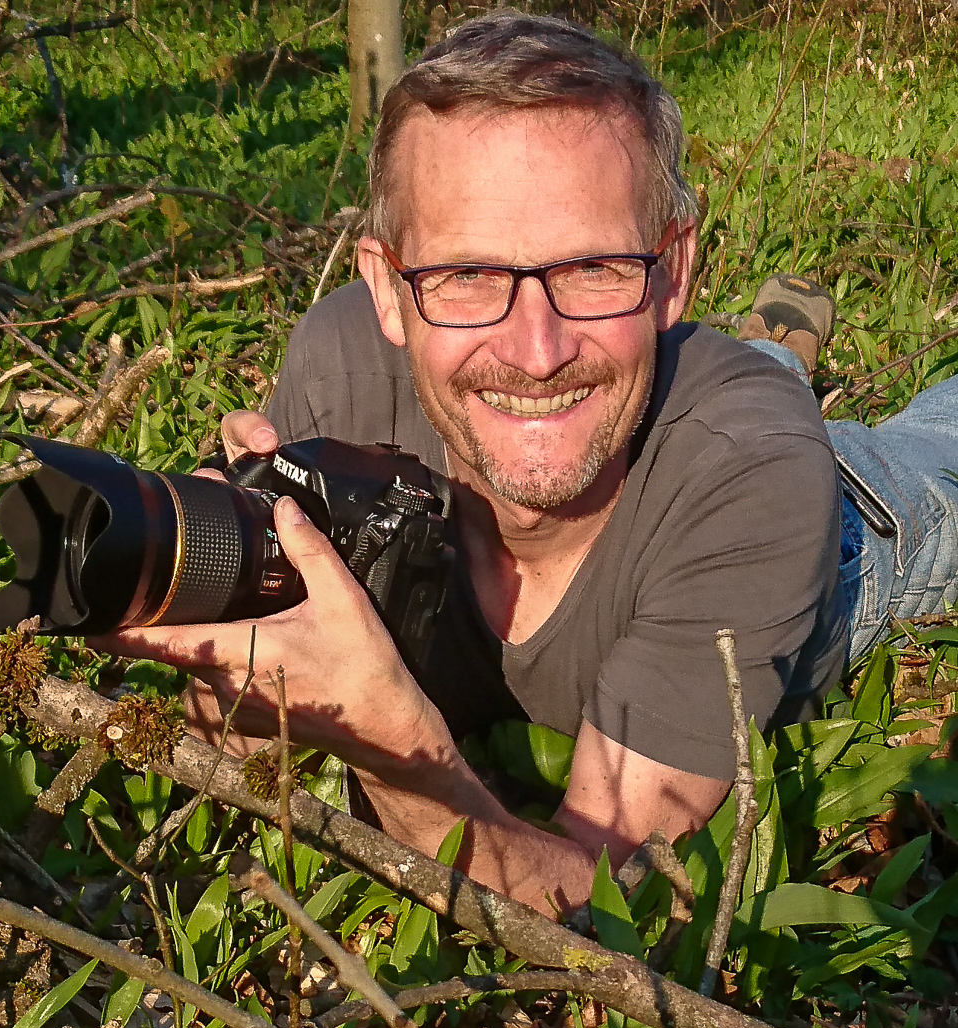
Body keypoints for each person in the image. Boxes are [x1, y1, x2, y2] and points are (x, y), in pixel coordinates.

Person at [103, 11, 958, 917]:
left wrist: (395, 747)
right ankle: (780, 342)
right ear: (389, 291)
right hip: (673, 400)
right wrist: (228, 586)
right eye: (468, 275)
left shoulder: (750, 472)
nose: (536, 349)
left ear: (671, 271)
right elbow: (231, 744)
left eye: (593, 267)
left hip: (856, 520)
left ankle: (775, 361)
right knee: (676, 379)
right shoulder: (341, 372)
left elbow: (605, 913)